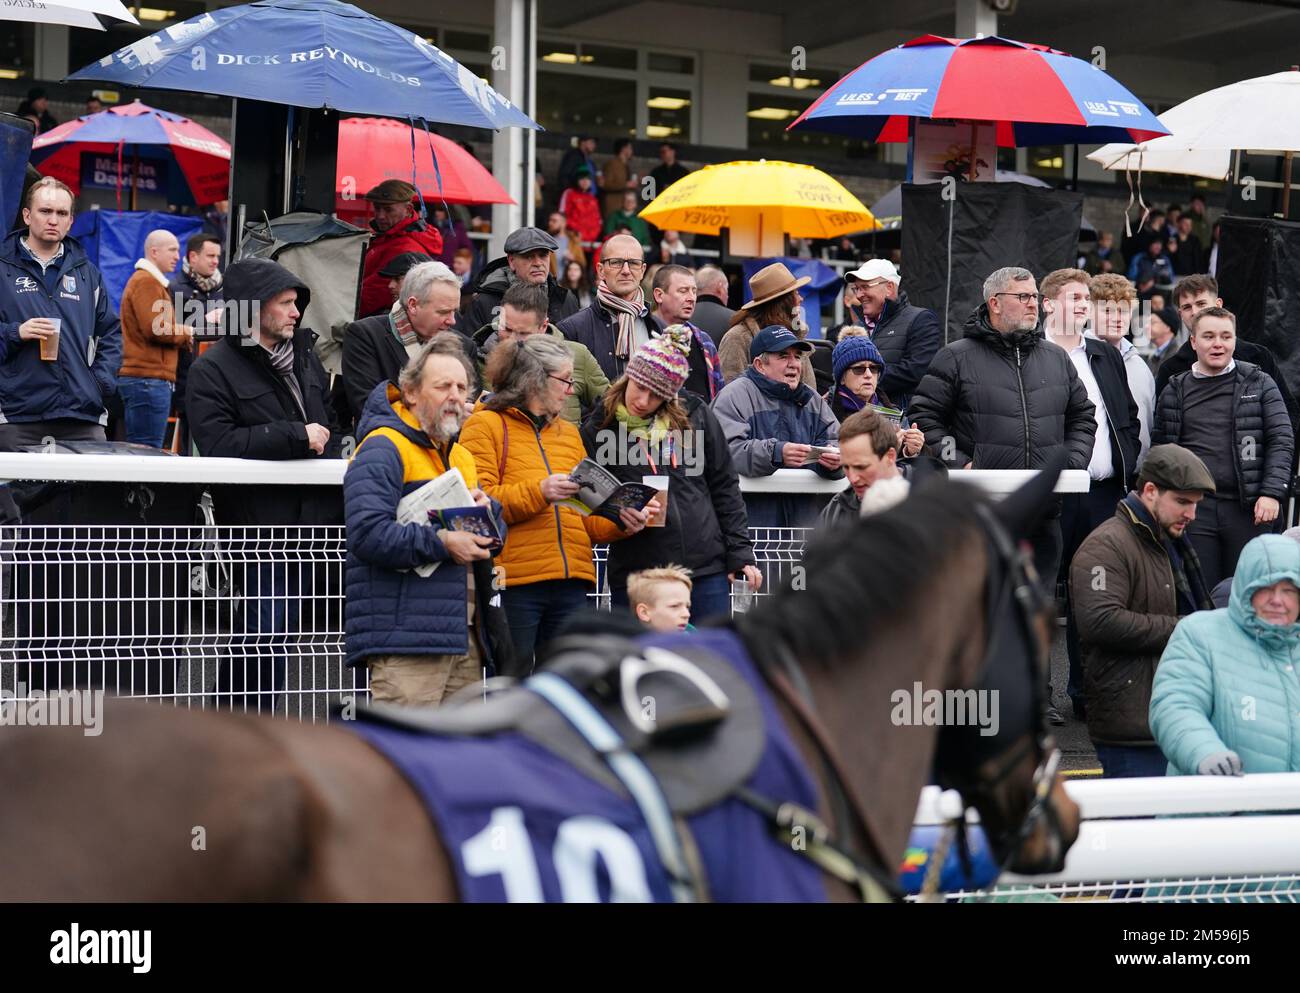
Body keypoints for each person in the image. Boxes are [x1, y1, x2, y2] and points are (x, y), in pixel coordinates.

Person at [186, 258, 342, 712]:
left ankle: (239, 728)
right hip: (260, 525)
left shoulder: (306, 357)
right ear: (253, 308)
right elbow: (217, 442)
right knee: (264, 633)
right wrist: (298, 437)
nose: (297, 312)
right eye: (287, 303)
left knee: (276, 634)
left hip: (315, 521)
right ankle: (241, 727)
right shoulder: (212, 369)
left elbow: (327, 421)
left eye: (297, 304)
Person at [910, 266, 1096, 607]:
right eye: (1022, 297)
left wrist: (1068, 464)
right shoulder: (955, 357)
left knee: (1035, 625)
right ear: (995, 303)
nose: (1033, 305)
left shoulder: (1056, 358)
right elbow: (924, 418)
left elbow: (1083, 416)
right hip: (981, 514)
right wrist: (961, 463)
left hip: (1043, 513)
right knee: (981, 620)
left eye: (1035, 298)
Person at [458, 335, 648, 666]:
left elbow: (584, 520)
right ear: (536, 379)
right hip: (516, 582)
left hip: (572, 581)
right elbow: (480, 503)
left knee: (565, 684)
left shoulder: (569, 434)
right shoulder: (484, 425)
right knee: (513, 685)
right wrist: (540, 492)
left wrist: (622, 522)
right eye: (565, 380)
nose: (571, 390)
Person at [344, 335, 509, 705]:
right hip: (406, 639)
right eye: (443, 386)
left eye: (462, 387)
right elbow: (367, 534)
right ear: (411, 393)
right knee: (402, 759)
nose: (455, 395)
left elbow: (491, 542)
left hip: (463, 635)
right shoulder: (382, 447)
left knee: (455, 760)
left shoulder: (461, 456)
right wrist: (443, 543)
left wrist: (489, 514)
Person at [580, 325, 759, 622]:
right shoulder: (600, 425)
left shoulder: (696, 415)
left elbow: (725, 486)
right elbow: (585, 492)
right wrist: (618, 512)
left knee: (706, 658)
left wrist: (739, 553)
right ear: (629, 377)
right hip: (638, 571)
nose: (642, 400)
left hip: (703, 568)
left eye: (655, 396)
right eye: (639, 387)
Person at [1070, 444, 1216, 777]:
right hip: (1132, 728)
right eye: (1182, 502)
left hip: (1172, 718)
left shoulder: (1167, 539)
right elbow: (1100, 621)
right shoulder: (1105, 546)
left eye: (1195, 504)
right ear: (1150, 491)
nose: (1191, 515)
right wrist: (1188, 629)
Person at [1152, 306, 1293, 590]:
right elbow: (1161, 450)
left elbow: (1281, 438)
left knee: (1250, 592)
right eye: (1209, 336)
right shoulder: (1174, 390)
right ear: (1193, 342)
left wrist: (1271, 493)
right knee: (1200, 594)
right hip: (1194, 512)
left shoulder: (1260, 382)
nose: (1218, 343)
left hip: (1250, 510)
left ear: (1234, 340)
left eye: (1226, 336)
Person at [1150, 533, 1300, 775]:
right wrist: (1205, 752)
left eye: (1289, 590)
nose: (1277, 600)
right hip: (1217, 806)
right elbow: (1175, 706)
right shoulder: (1199, 633)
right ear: (1243, 589)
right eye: (1266, 589)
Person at [0, 177, 121, 446]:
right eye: (45, 211)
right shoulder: (2, 268)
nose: (53, 220)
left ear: (70, 221)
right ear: (27, 216)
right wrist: (14, 332)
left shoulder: (88, 274)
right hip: (17, 417)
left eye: (61, 213)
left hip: (81, 418)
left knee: (90, 489)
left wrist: (100, 384)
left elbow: (111, 335)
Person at [711, 325, 842, 528]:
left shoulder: (811, 399)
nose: (794, 364)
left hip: (804, 531)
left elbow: (838, 442)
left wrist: (834, 462)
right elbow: (724, 452)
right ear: (759, 365)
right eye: (783, 356)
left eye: (797, 356)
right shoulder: (734, 396)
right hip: (749, 529)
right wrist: (775, 452)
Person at [1155, 275, 1298, 437]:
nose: (1194, 312)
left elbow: (1287, 413)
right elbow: (1163, 429)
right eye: (1187, 307)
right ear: (1180, 314)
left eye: (1201, 303)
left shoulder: (1258, 357)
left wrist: (1274, 457)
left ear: (1218, 305)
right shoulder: (1170, 370)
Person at [342, 261, 472, 423]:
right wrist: (439, 412)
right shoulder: (365, 336)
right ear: (413, 305)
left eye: (455, 311)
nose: (452, 321)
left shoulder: (464, 346)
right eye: (443, 312)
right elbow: (368, 407)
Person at [473, 281, 607, 426]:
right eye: (507, 329)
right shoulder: (477, 357)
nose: (512, 340)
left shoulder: (577, 356)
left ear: (543, 326)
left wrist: (587, 439)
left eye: (523, 333)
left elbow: (613, 407)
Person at [118, 229, 191, 448]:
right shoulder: (146, 281)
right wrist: (186, 332)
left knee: (144, 448)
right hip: (147, 380)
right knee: (146, 451)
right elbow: (156, 329)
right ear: (154, 252)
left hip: (148, 380)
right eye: (173, 250)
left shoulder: (149, 281)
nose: (178, 256)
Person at [558, 233, 663, 383]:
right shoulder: (572, 330)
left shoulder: (660, 330)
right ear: (601, 270)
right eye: (616, 262)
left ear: (642, 270)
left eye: (633, 263)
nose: (626, 270)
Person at [841, 258, 940, 413]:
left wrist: (862, 377)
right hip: (859, 419)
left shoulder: (921, 319)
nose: (859, 295)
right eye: (856, 288)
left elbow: (915, 371)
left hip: (903, 422)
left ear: (889, 287)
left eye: (865, 287)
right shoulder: (858, 327)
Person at [818, 408, 932, 530]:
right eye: (846, 466)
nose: (852, 478)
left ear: (890, 456)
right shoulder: (837, 508)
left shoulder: (928, 505)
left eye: (861, 466)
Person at [717, 262, 817, 389]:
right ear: (783, 303)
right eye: (796, 293)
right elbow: (730, 393)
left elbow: (809, 389)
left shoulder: (794, 335)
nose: (801, 299)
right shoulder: (737, 338)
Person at [170, 232, 224, 453]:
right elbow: (170, 332)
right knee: (188, 444)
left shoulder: (224, 289)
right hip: (187, 377)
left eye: (218, 256)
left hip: (220, 379)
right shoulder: (174, 289)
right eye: (210, 255)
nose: (215, 261)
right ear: (193, 257)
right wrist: (204, 322)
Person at [465, 226, 580, 331]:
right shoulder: (484, 302)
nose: (538, 263)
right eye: (529, 256)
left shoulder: (566, 299)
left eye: (543, 255)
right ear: (511, 261)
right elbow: (473, 350)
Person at [357, 180, 444, 318]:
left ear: (408, 210)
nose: (380, 216)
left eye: (388, 209)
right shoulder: (388, 238)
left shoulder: (404, 248)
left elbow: (372, 295)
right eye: (377, 208)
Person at [650, 264, 724, 401]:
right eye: (683, 291)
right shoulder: (642, 332)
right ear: (659, 295)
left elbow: (719, 395)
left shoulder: (704, 341)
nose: (691, 298)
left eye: (694, 291)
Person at [627, 566, 694, 632]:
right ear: (644, 612)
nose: (687, 614)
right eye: (674, 606)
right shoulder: (626, 642)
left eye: (687, 607)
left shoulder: (694, 638)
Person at [558, 167, 602, 247]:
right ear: (576, 180)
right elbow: (562, 217)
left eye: (588, 179)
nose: (585, 181)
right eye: (582, 178)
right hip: (573, 240)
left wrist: (592, 236)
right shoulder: (569, 194)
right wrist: (575, 232)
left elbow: (597, 220)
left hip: (591, 242)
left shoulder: (592, 198)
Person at [691, 266, 735, 340]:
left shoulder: (680, 317)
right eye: (727, 289)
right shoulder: (735, 319)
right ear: (720, 288)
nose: (727, 296)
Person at [600, 138, 639, 217]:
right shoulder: (612, 164)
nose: (632, 151)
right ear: (624, 149)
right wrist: (626, 184)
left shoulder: (626, 165)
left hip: (624, 207)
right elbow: (605, 184)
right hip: (613, 207)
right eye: (630, 148)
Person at [545, 211, 587, 278]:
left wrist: (573, 259)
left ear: (563, 223)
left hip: (568, 284)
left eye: (554, 221)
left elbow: (582, 263)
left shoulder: (573, 240)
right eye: (550, 220)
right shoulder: (545, 240)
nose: (550, 223)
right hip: (552, 283)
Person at [429, 205, 472, 270]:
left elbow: (466, 248)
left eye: (440, 210)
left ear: (447, 211)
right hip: (434, 267)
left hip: (451, 268)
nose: (437, 213)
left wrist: (457, 263)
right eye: (435, 210)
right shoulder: (431, 226)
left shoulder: (457, 228)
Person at [1146, 304, 1179, 371]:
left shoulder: (1177, 356)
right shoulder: (1155, 356)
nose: (1146, 326)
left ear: (1167, 327)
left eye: (1152, 322)